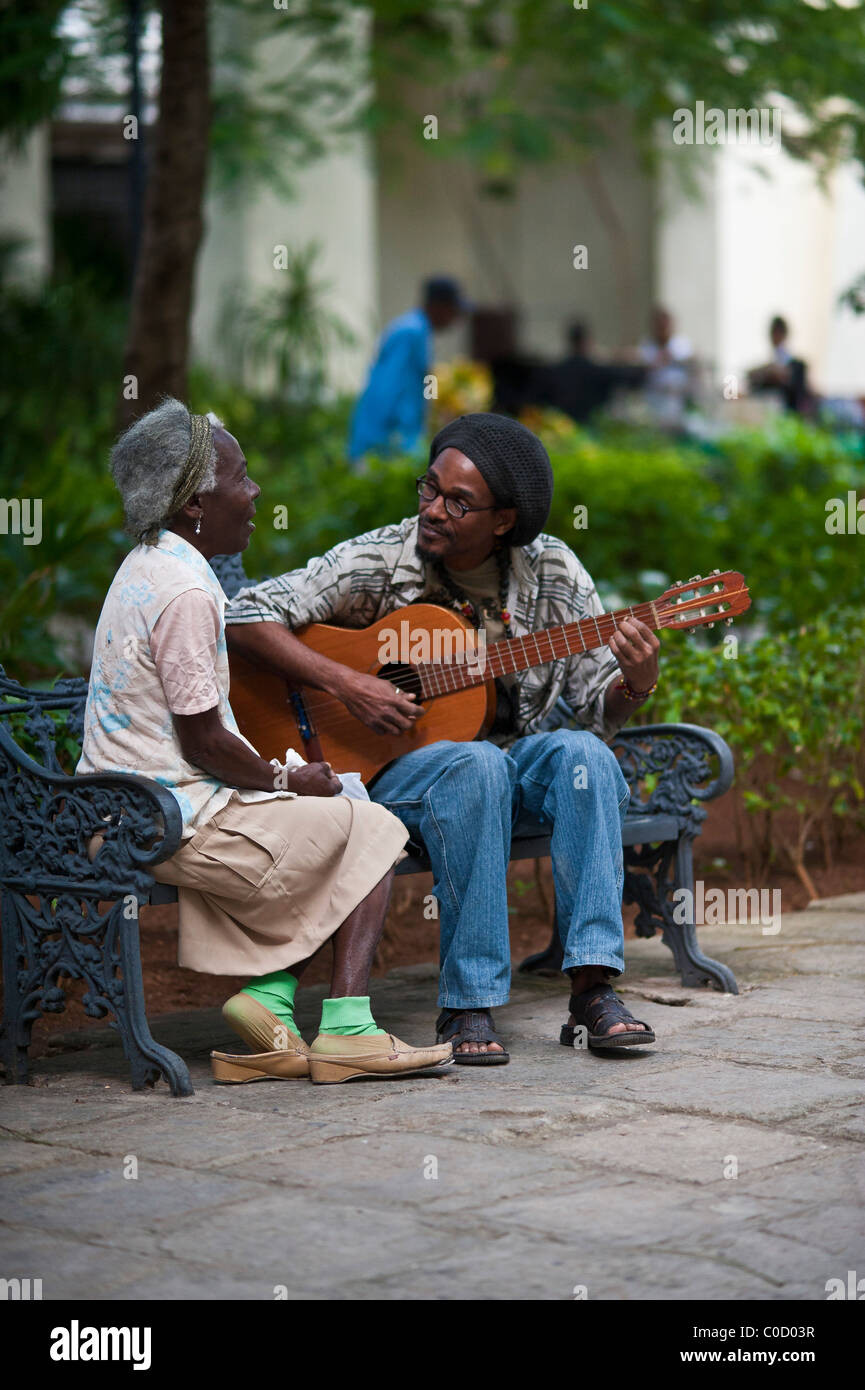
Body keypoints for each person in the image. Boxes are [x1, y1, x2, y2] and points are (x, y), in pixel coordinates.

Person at [225, 412, 659, 1065]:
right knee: (473, 763)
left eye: (458, 503)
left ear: (504, 520)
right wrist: (348, 683)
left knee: (585, 756)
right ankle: (466, 1004)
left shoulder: (553, 574)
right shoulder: (380, 559)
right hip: (396, 777)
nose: (432, 510)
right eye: (428, 489)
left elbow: (596, 709)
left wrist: (637, 680)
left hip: (512, 765)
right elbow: (245, 614)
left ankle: (593, 988)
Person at [76, 398, 452, 1085]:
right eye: (241, 478)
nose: (254, 494)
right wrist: (286, 782)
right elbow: (203, 743)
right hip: (163, 821)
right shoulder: (186, 590)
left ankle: (271, 1010)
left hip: (126, 807)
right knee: (375, 827)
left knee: (348, 807)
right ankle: (346, 1031)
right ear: (195, 501)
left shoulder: (148, 563)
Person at [348, 276, 470, 461]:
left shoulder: (422, 333)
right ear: (439, 306)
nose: (455, 319)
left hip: (401, 440)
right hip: (384, 442)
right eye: (454, 311)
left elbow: (423, 382)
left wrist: (438, 405)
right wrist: (378, 441)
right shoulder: (409, 332)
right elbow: (385, 388)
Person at [541, 322, 647, 424]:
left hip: (561, 426)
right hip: (589, 427)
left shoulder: (557, 371)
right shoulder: (595, 370)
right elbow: (630, 378)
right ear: (586, 341)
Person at [637, 306, 696, 429]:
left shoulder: (681, 344)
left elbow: (693, 365)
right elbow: (642, 368)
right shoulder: (646, 345)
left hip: (677, 397)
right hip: (654, 397)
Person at [747, 316, 810, 414]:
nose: (774, 337)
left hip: (789, 410)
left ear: (783, 335)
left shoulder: (796, 366)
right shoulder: (771, 365)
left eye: (777, 333)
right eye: (773, 333)